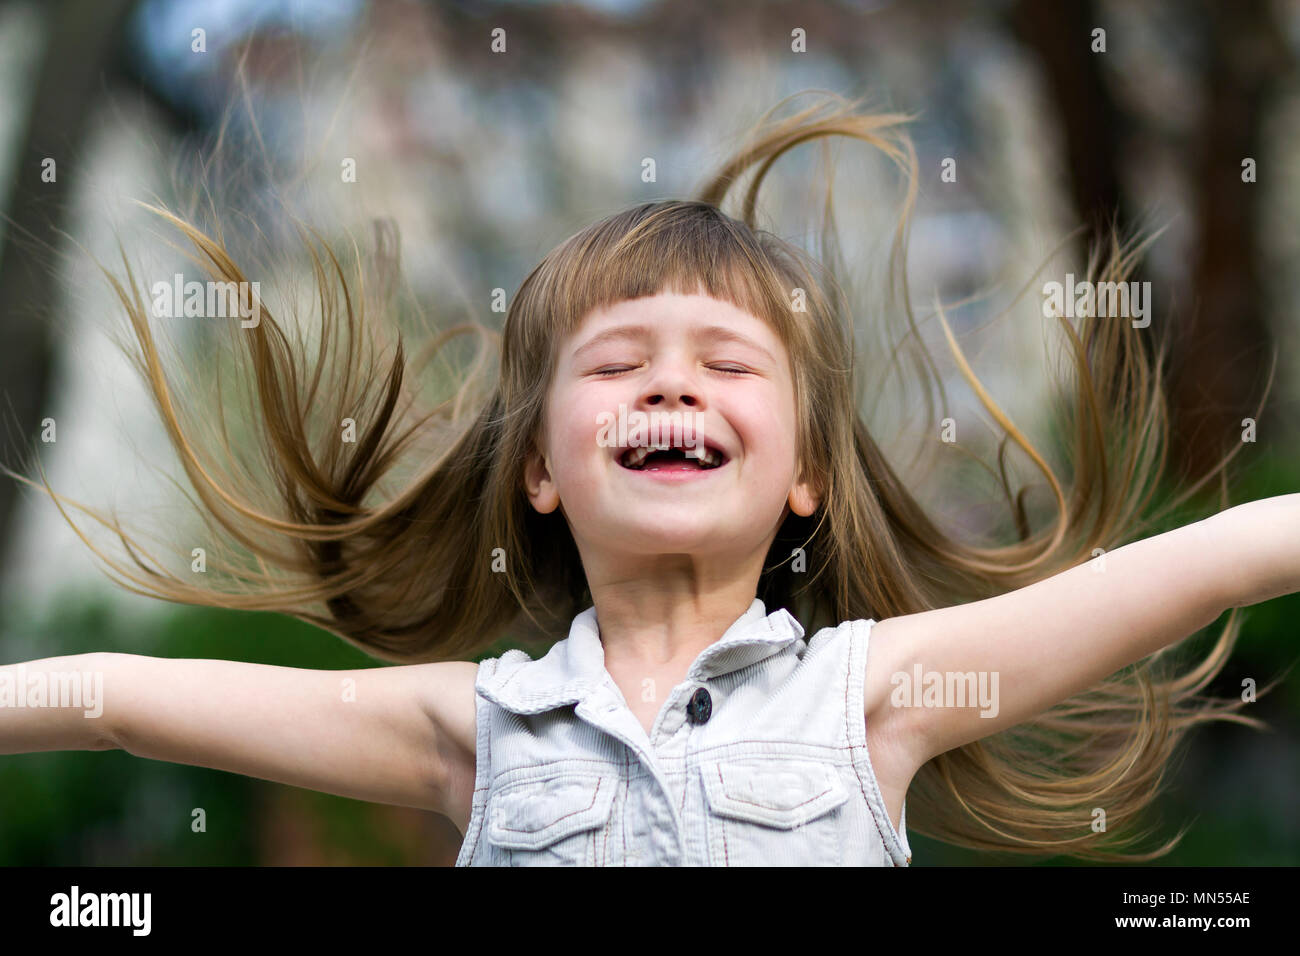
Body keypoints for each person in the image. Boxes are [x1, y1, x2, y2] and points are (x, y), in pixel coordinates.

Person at [2, 92, 1296, 866]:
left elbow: (1222, 555)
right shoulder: (473, 729)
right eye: (619, 362)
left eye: (727, 364)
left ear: (808, 480)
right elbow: (120, 696)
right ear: (539, 472)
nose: (672, 386)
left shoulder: (881, 694)